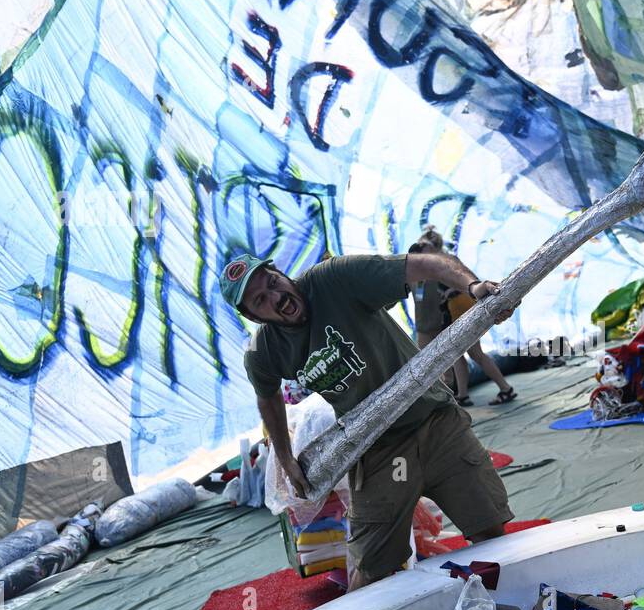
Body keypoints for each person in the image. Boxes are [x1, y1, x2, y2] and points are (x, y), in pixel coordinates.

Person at [220, 249, 516, 591]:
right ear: (253, 315)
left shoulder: (335, 279)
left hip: (437, 425)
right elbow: (267, 396)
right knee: (370, 568)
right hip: (381, 453)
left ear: (282, 274)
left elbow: (423, 264)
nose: (276, 296)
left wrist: (472, 285)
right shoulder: (265, 352)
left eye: (273, 282)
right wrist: (284, 457)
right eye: (261, 299)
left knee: (490, 536)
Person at [412, 230, 518, 406]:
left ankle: (505, 388)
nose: (420, 250)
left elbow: (467, 281)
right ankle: (463, 395)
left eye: (423, 246)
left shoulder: (445, 261)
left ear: (432, 246)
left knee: (475, 353)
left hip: (461, 311)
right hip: (452, 315)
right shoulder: (428, 267)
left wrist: (451, 292)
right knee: (457, 355)